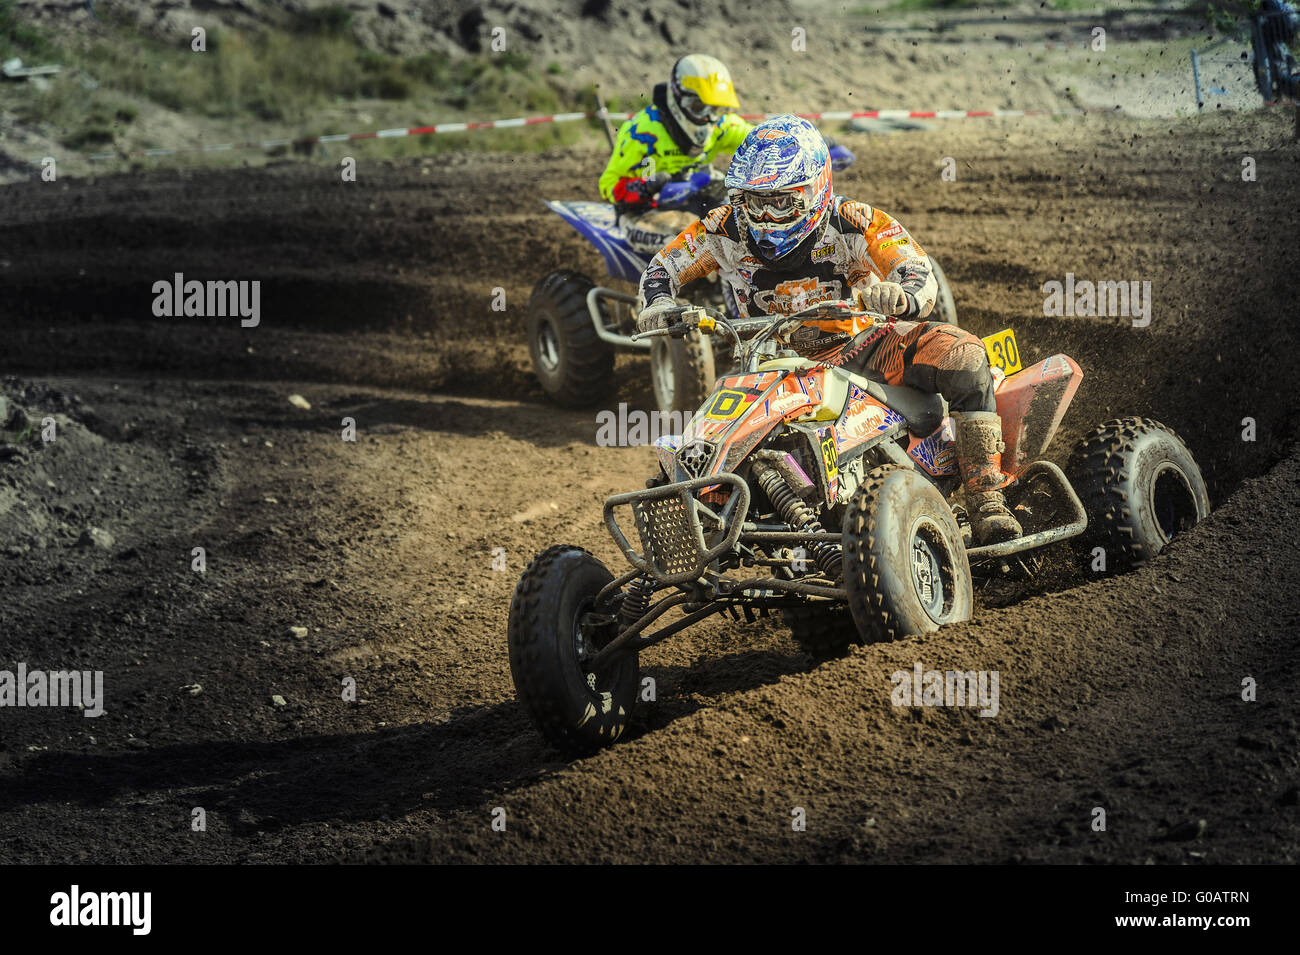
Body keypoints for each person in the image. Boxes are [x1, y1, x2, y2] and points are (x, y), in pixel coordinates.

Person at [635, 115, 1021, 545]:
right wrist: (660, 303)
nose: (764, 214)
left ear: (814, 189)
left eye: (781, 202)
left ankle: (987, 500)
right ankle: (693, 531)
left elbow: (915, 267)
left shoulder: (852, 221)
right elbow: (663, 266)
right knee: (711, 445)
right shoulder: (723, 228)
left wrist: (901, 293)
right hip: (772, 362)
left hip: (869, 347)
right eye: (753, 201)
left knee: (962, 353)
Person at [598, 54, 751, 255]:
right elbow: (608, 185)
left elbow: (761, 138)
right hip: (643, 215)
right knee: (695, 245)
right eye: (699, 107)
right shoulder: (642, 132)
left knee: (746, 227)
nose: (708, 117)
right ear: (679, 97)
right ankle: (669, 287)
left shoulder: (722, 125)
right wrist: (645, 187)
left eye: (715, 108)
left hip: (694, 208)